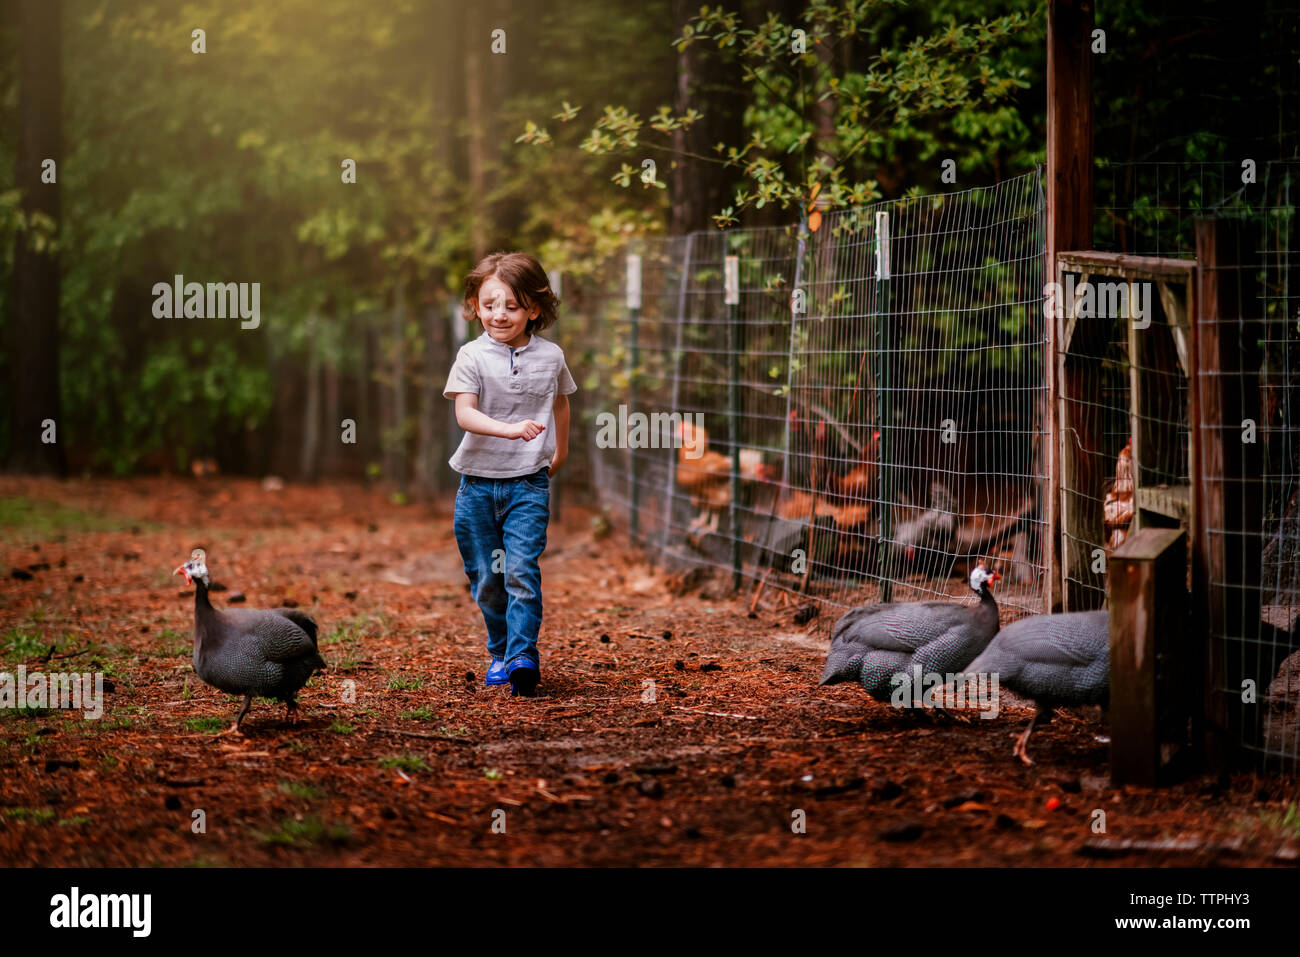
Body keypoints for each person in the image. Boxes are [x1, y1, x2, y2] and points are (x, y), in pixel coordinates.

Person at [443, 251, 576, 697]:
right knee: (486, 577)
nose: (499, 315)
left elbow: (561, 402)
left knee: (521, 569)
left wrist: (560, 449)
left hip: (528, 485)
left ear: (534, 309)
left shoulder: (551, 357)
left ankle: (522, 656)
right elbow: (465, 414)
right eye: (489, 305)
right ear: (476, 307)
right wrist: (511, 430)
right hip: (477, 486)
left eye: (511, 306)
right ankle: (499, 650)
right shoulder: (471, 356)